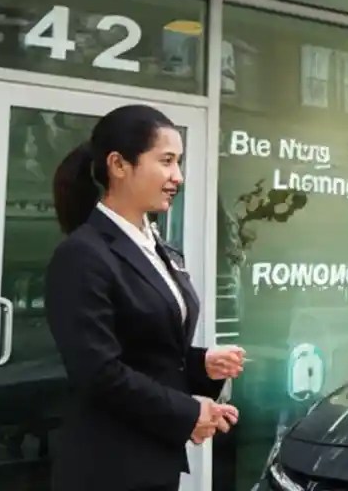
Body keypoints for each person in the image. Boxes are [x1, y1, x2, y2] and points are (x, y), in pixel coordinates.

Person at [46, 104, 246, 491]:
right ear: (119, 165)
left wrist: (200, 363)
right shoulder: (83, 254)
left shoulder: (159, 248)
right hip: (108, 466)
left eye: (179, 162)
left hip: (153, 456)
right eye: (166, 161)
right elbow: (99, 372)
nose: (178, 177)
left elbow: (146, 349)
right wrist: (189, 412)